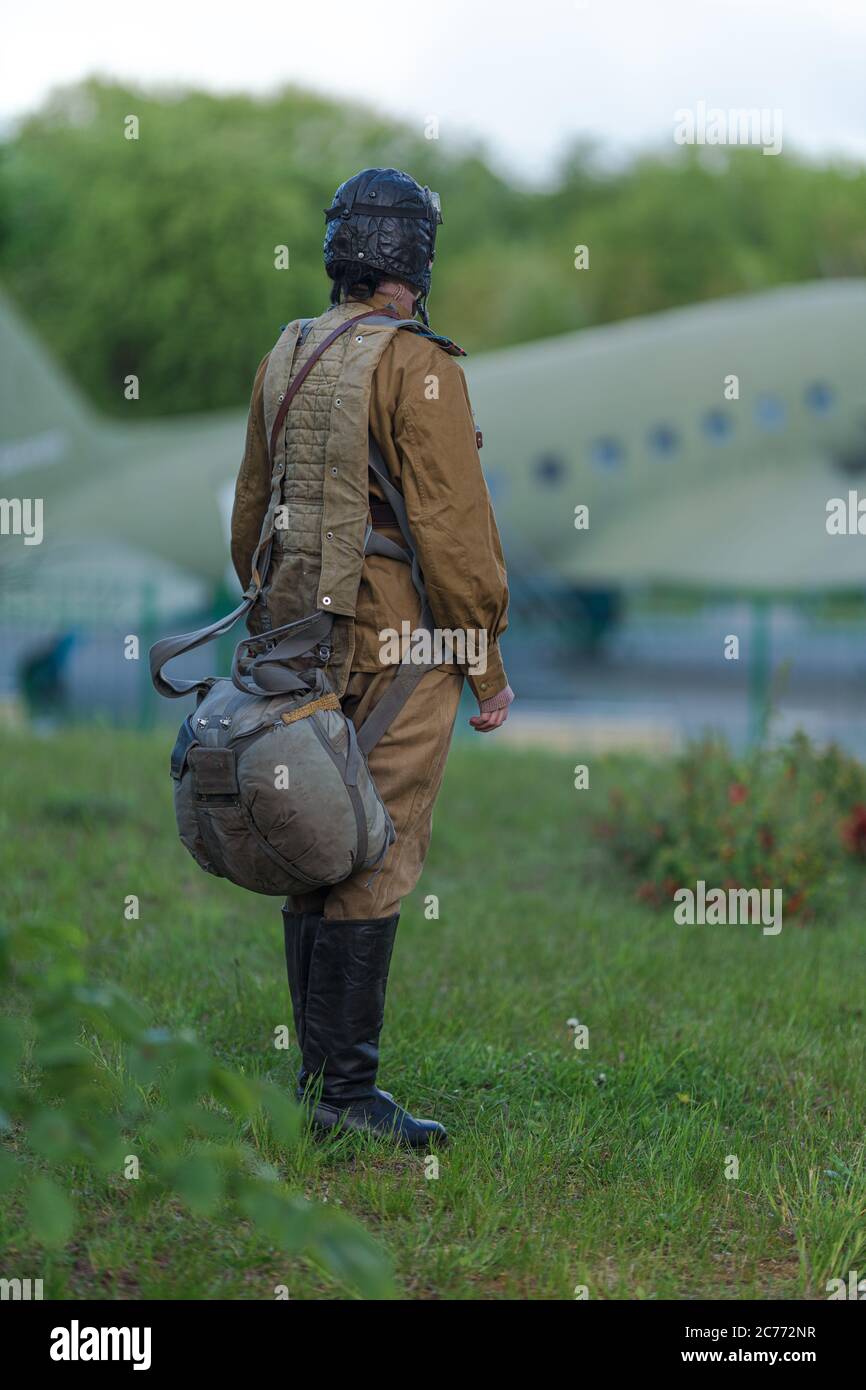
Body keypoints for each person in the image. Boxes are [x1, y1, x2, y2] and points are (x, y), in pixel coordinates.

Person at [230, 168, 513, 1146]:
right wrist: (485, 663)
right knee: (374, 850)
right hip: (403, 647)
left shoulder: (289, 351)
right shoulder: (420, 365)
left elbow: (248, 516)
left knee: (315, 838)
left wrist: (275, 620)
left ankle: (317, 1086)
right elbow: (457, 538)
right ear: (415, 260)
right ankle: (343, 1097)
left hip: (294, 640)